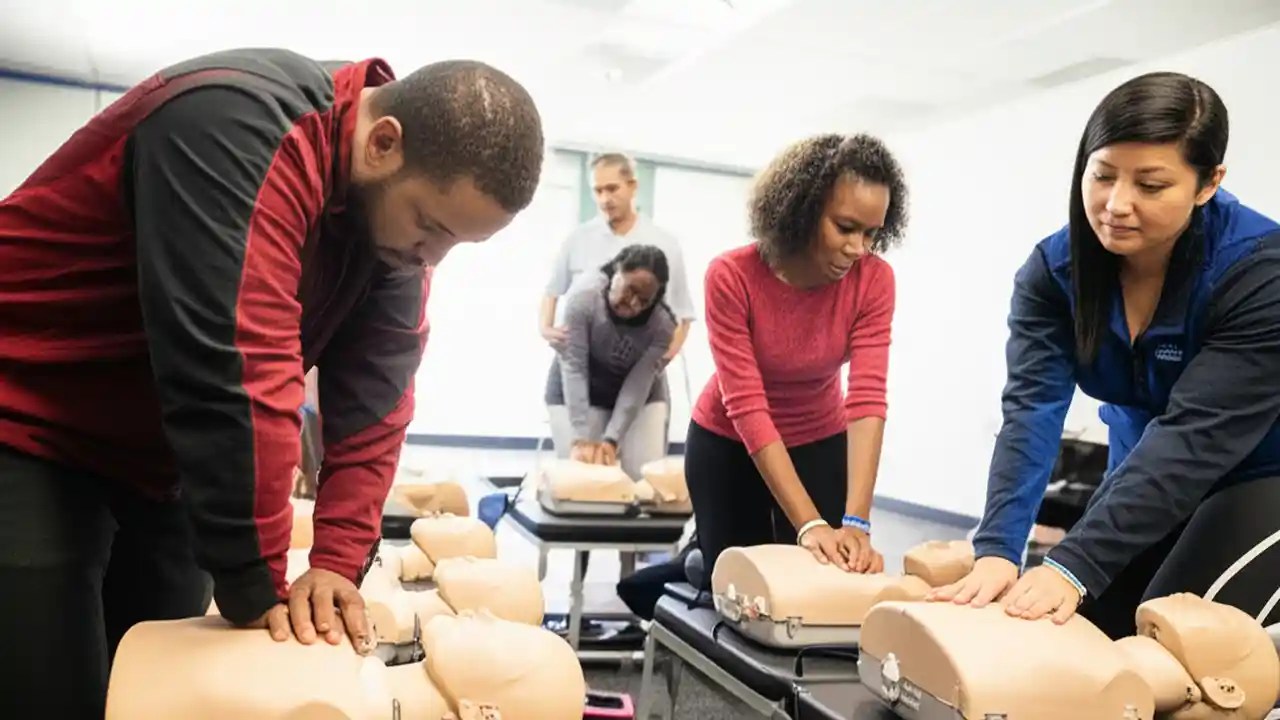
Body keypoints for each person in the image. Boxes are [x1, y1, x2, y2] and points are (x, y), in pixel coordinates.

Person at [0, 47, 544, 718]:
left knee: (162, 691)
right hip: (25, 417)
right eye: (431, 227)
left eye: (457, 243)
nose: (432, 258)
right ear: (382, 144)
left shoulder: (395, 243)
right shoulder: (231, 123)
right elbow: (236, 370)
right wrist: (258, 588)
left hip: (159, 454)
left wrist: (336, 567)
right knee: (49, 691)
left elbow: (376, 408)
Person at [929, 71, 1280, 640]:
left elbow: (1195, 437)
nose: (1117, 204)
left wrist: (1073, 562)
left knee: (1173, 645)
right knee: (1082, 632)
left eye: (1151, 184)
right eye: (1103, 175)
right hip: (1141, 468)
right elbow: (1031, 414)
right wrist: (997, 547)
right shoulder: (1054, 272)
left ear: (1208, 183)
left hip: (1257, 477)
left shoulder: (1257, 272)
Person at [685, 133, 909, 586]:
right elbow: (746, 404)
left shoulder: (874, 281)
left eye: (871, 232)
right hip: (728, 443)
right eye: (845, 228)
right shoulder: (731, 276)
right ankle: (697, 560)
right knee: (737, 588)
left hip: (818, 440)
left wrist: (856, 523)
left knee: (818, 579)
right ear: (801, 210)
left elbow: (866, 399)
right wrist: (808, 523)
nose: (859, 248)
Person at [540, 152, 696, 364]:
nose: (605, 199)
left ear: (632, 186)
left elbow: (683, 316)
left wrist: (658, 363)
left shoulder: (665, 244)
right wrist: (546, 329)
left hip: (637, 367)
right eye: (598, 190)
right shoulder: (577, 239)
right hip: (580, 363)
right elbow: (552, 291)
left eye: (612, 189)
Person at [545, 244, 677, 480]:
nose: (633, 304)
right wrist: (580, 435)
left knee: (645, 479)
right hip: (580, 387)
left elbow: (637, 383)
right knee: (584, 476)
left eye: (644, 300)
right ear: (616, 272)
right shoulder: (584, 298)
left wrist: (612, 439)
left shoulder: (663, 325)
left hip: (638, 396)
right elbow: (575, 366)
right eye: (629, 290)